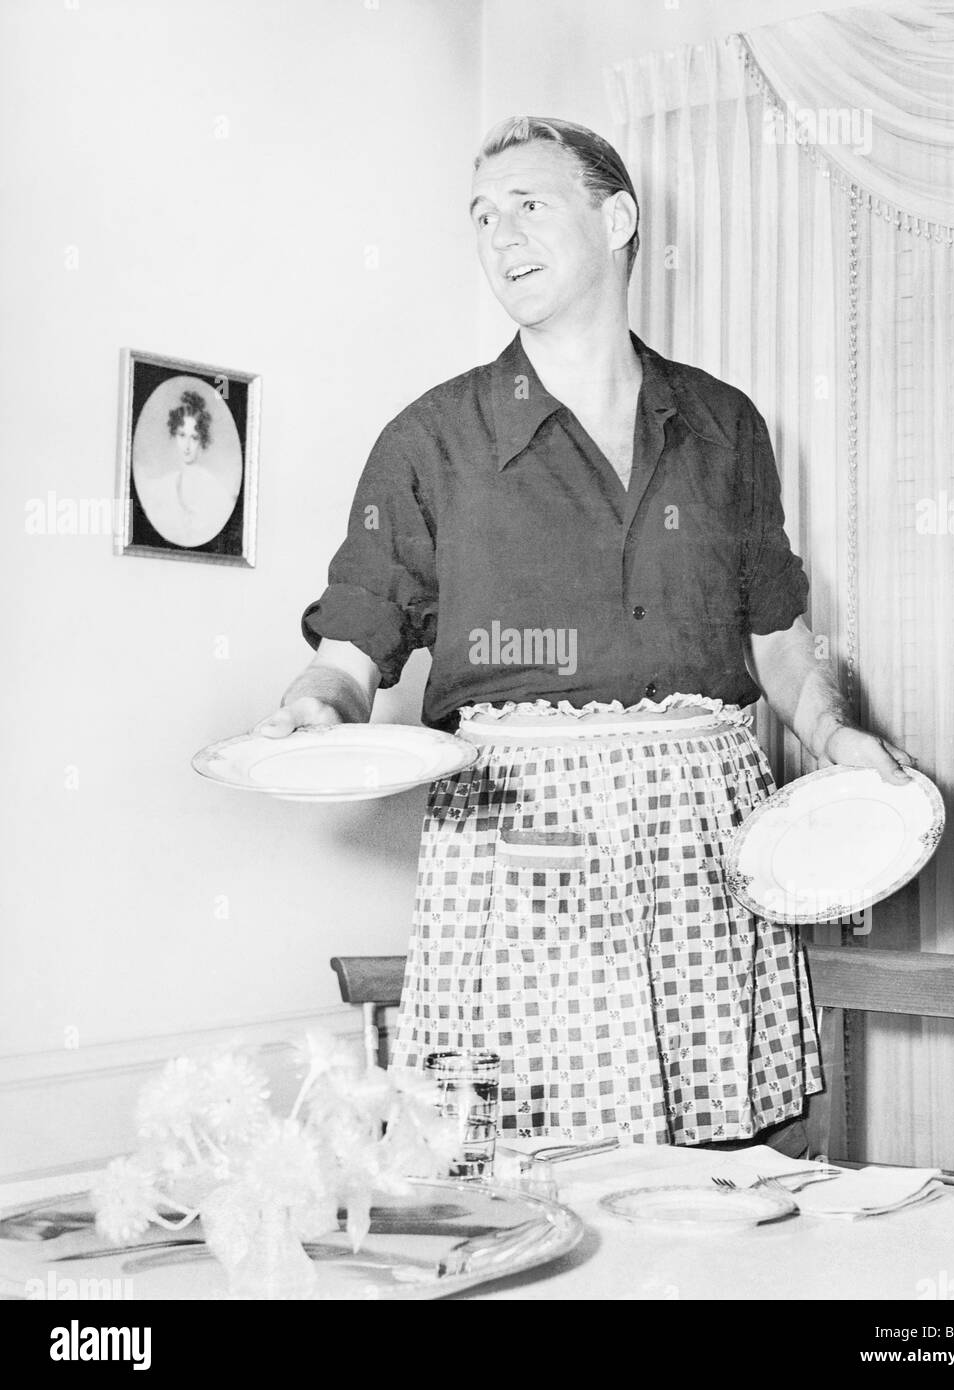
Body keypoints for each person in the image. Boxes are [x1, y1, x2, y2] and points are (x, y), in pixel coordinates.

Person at [255, 116, 913, 1154]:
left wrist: (836, 741)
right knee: (530, 1166)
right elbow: (350, 651)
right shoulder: (429, 440)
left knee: (719, 1177)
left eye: (528, 203)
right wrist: (307, 712)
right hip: (521, 840)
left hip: (708, 833)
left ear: (616, 219)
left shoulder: (725, 424)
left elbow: (778, 637)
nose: (499, 235)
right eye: (480, 215)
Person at [136, 389, 235, 548]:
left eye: (194, 438)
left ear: (202, 440)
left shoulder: (213, 487)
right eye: (182, 435)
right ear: (174, 435)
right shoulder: (165, 485)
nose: (187, 446)